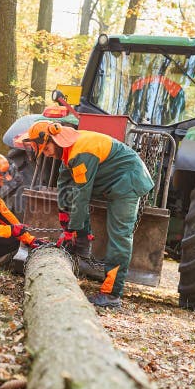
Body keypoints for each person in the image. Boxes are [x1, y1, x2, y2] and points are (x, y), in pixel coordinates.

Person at [23, 121, 154, 308]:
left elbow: (81, 195)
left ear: (54, 139)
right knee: (74, 202)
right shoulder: (68, 151)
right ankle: (82, 241)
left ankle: (112, 294)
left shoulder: (81, 152)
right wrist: (65, 220)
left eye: (46, 149)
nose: (46, 153)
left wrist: (73, 230)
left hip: (129, 180)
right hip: (110, 180)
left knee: (119, 236)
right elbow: (64, 184)